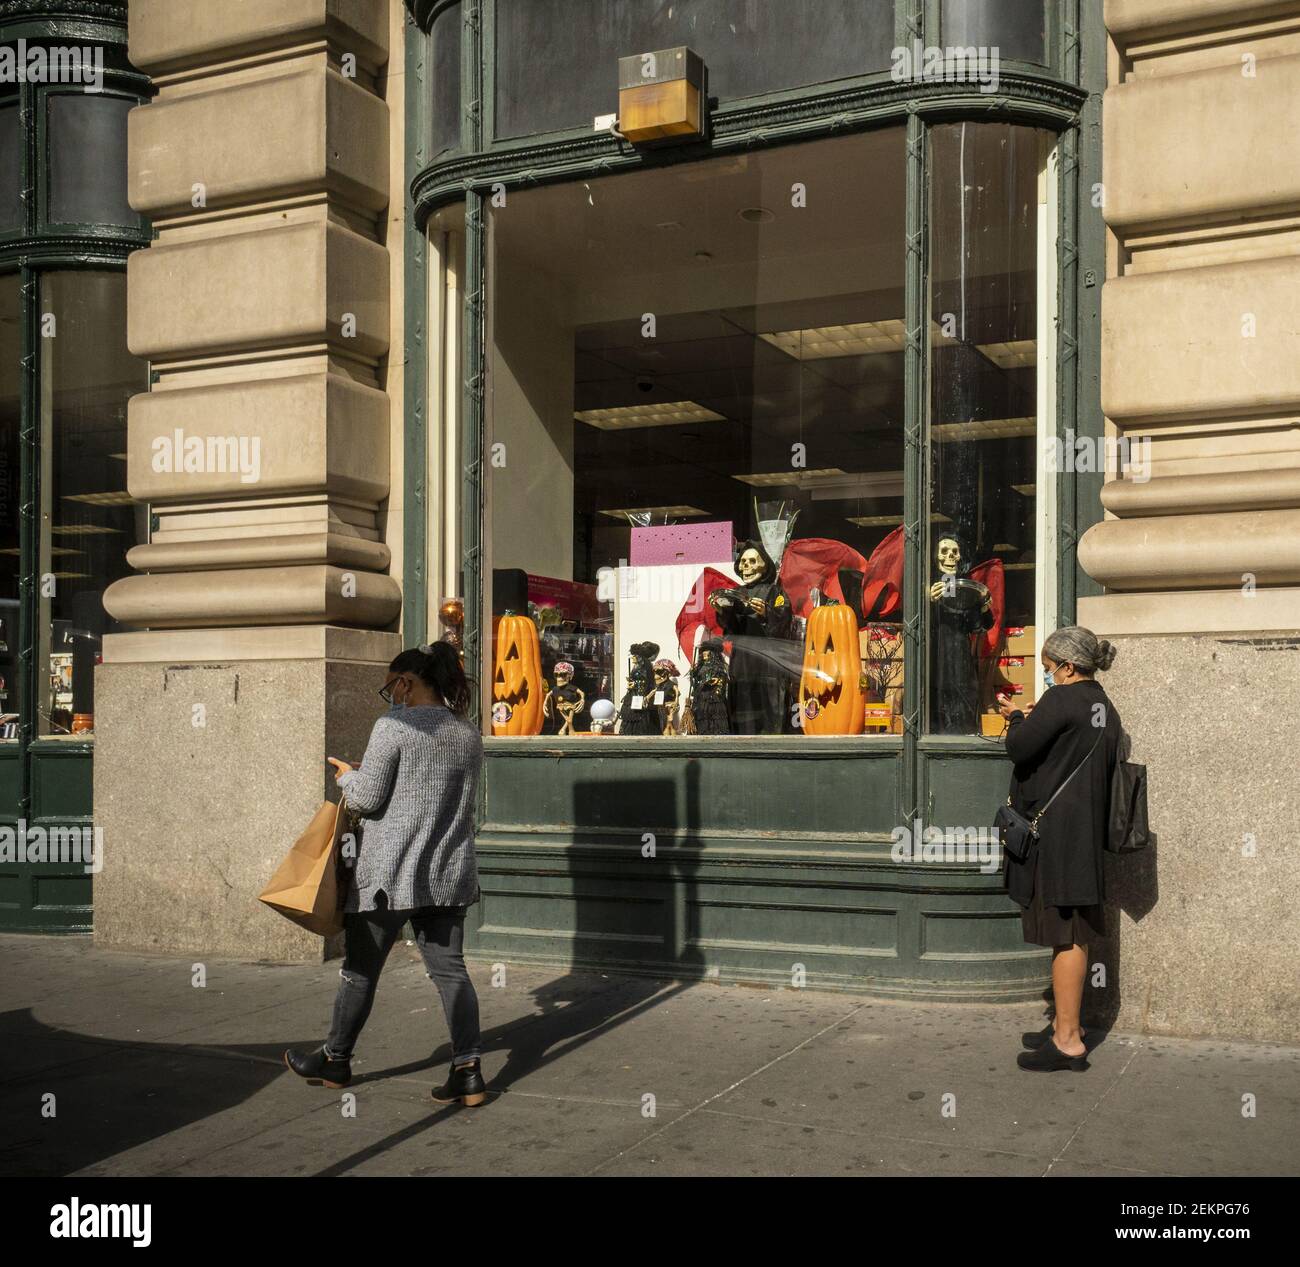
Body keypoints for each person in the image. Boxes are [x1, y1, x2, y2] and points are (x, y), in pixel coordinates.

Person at [283, 642, 487, 1106]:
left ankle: (335, 1059)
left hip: (389, 878)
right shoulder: (467, 732)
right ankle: (468, 1069)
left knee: (359, 973)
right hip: (448, 874)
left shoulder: (393, 726)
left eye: (391, 685)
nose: (390, 695)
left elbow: (367, 800)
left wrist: (346, 778)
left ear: (407, 682)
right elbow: (431, 792)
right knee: (451, 972)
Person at [997, 625, 1121, 1072]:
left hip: (1058, 838)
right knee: (1074, 932)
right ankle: (1068, 1025)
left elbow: (1019, 748)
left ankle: (1067, 1040)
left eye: (1049, 669)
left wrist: (1016, 718)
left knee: (1065, 934)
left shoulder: (1061, 700)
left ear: (1068, 666)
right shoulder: (1104, 706)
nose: (1047, 677)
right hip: (1084, 836)